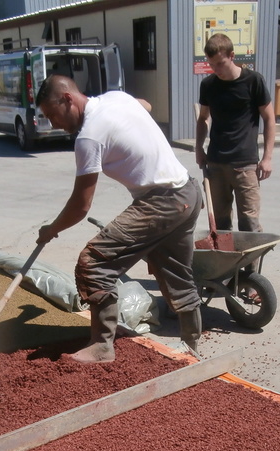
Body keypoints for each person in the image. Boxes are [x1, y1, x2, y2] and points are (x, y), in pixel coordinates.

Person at [35, 75, 204, 363]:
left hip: (162, 201)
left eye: (52, 114)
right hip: (187, 191)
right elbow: (145, 105)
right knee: (175, 270)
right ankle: (192, 346)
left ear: (67, 99)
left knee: (94, 262)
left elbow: (80, 205)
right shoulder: (117, 99)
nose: (53, 124)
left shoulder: (88, 137)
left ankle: (102, 346)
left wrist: (52, 229)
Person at [195, 33, 275, 233]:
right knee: (220, 224)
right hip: (216, 164)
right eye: (211, 65)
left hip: (245, 165)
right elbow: (203, 118)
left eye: (220, 63)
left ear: (231, 55)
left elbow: (269, 118)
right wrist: (198, 149)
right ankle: (227, 264)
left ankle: (250, 265)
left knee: (249, 223)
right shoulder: (208, 85)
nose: (216, 69)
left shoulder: (253, 81)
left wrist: (267, 158)